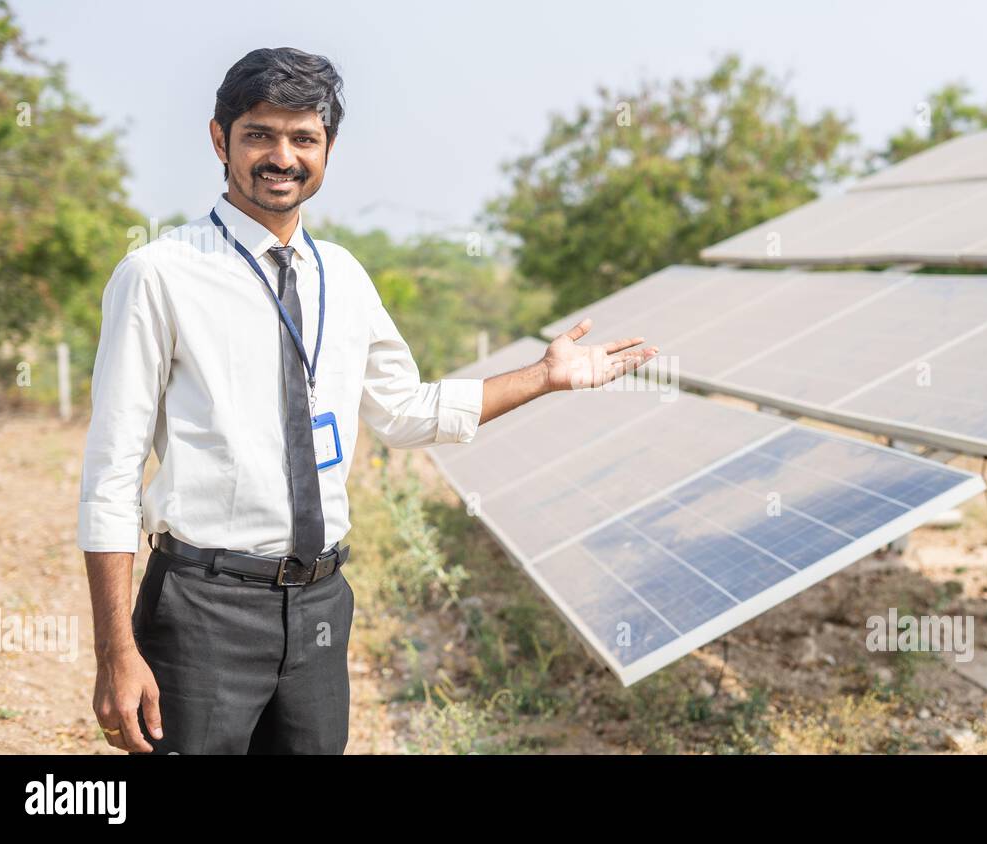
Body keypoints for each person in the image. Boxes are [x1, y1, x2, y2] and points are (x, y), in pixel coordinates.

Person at [79, 46, 657, 754]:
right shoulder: (158, 275)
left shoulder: (343, 277)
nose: (281, 156)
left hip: (322, 605)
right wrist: (116, 654)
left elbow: (406, 412)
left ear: (328, 148)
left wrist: (543, 375)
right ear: (219, 138)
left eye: (304, 138)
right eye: (259, 133)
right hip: (203, 609)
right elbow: (111, 475)